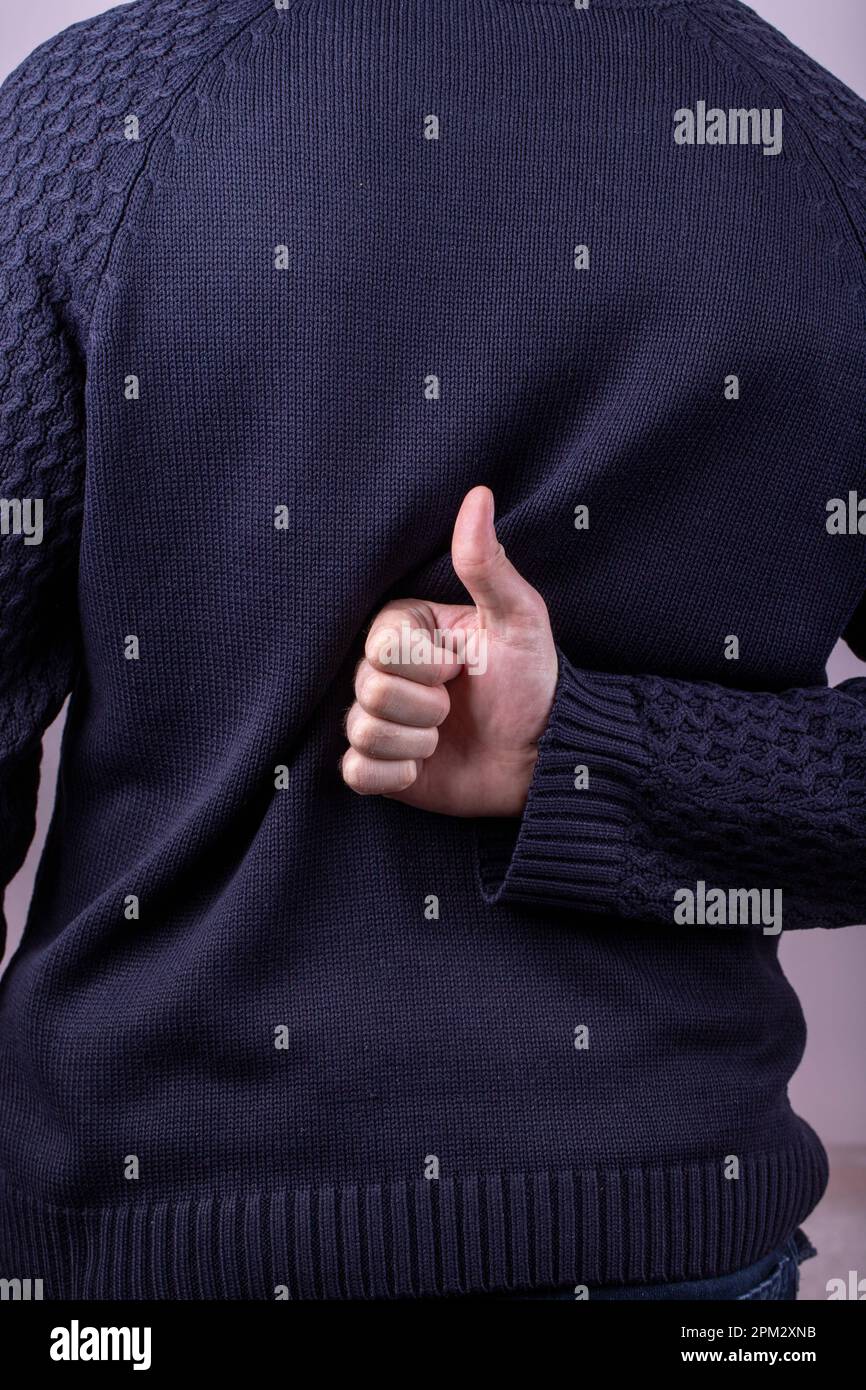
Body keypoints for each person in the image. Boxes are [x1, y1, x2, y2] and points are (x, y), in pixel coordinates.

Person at [0, 0, 864, 1301]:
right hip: (663, 1235)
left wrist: (569, 751)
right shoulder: (817, 155)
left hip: (144, 1244)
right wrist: (592, 752)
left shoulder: (93, 122)